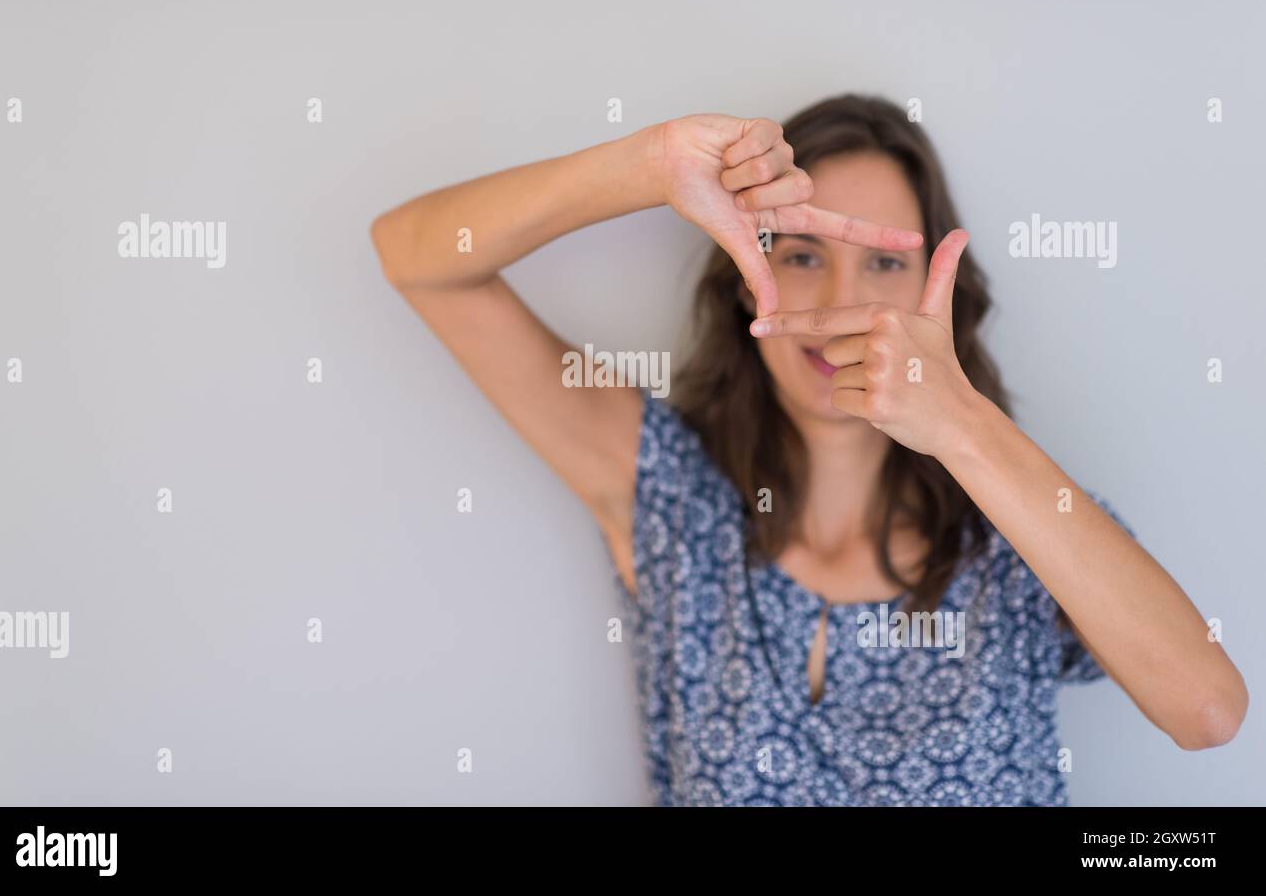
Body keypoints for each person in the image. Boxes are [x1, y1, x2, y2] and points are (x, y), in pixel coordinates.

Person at [369, 95, 1247, 805]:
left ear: (943, 293)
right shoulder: (668, 493)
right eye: (800, 253)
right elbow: (417, 258)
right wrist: (642, 165)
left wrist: (963, 424)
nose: (841, 301)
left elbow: (1207, 709)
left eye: (884, 263)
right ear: (742, 276)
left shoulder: (1018, 533)